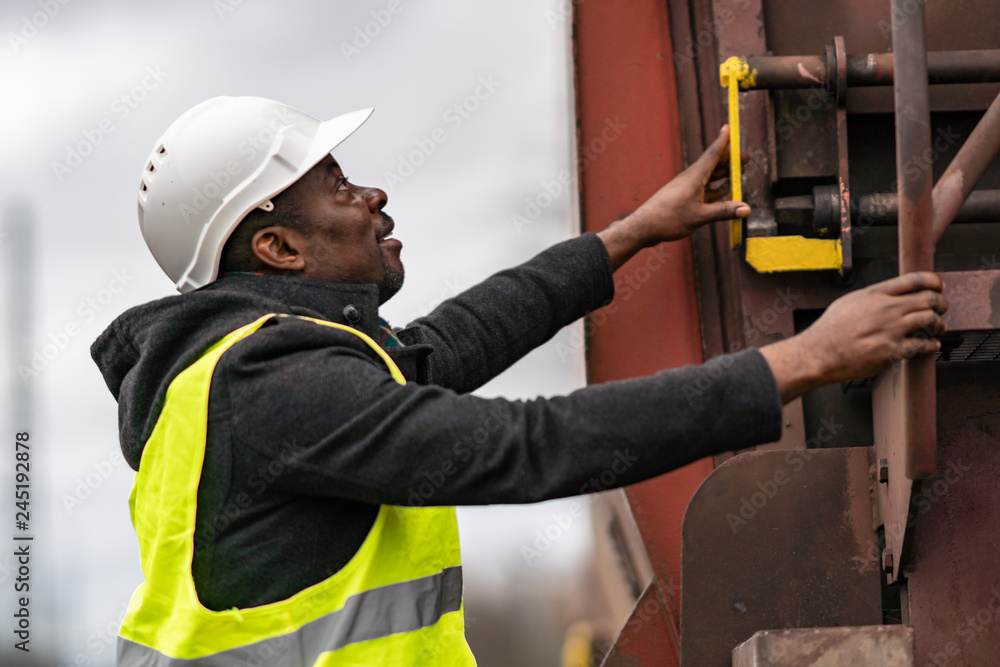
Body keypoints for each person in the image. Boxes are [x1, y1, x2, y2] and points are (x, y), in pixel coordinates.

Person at [92, 96, 948, 666]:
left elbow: (442, 347)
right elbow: (525, 445)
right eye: (339, 187)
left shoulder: (231, 380)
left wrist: (628, 235)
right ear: (279, 249)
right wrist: (803, 359)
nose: (374, 194)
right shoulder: (274, 387)